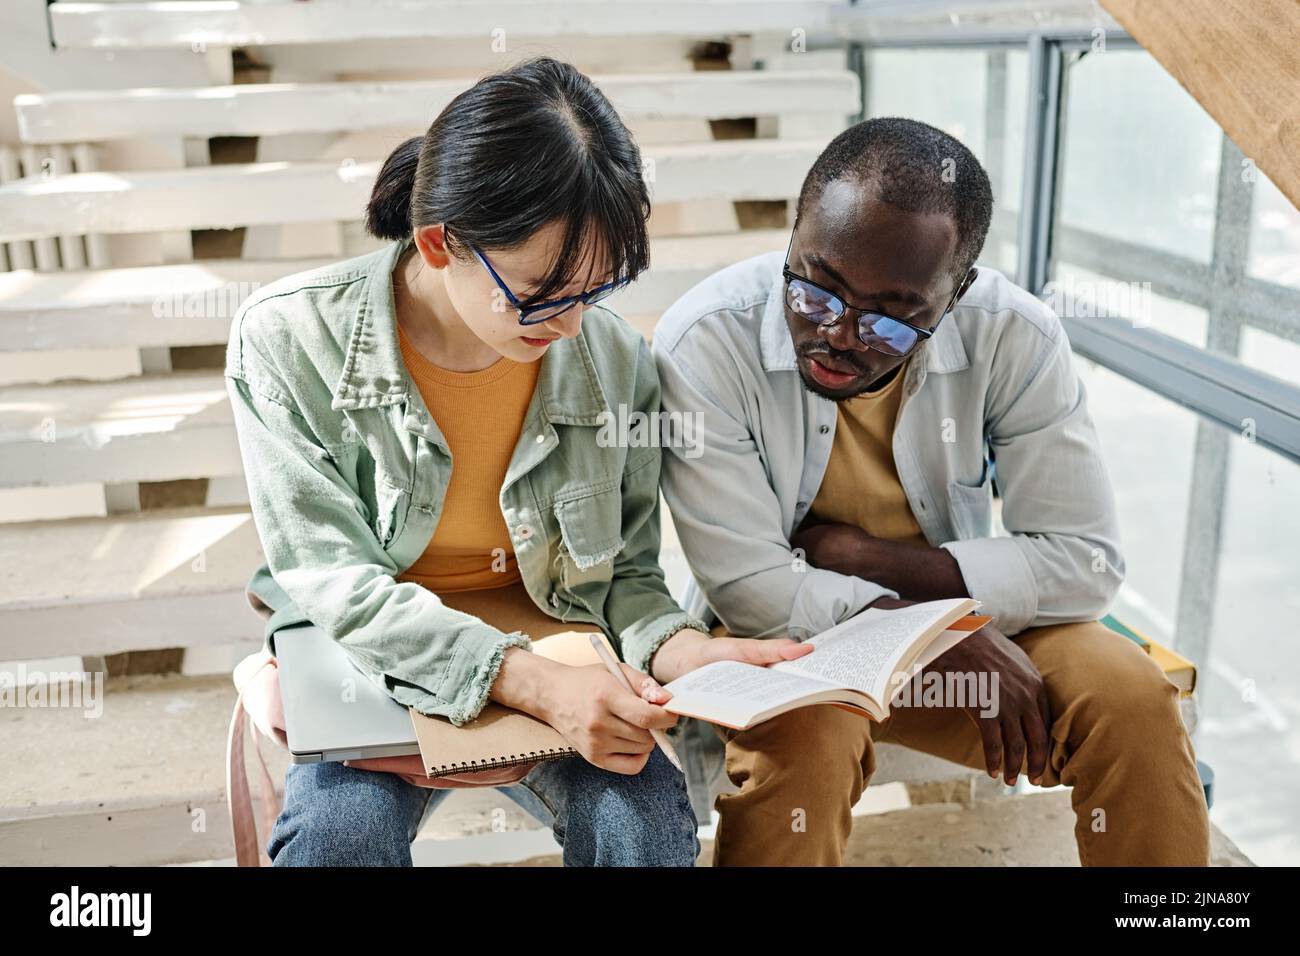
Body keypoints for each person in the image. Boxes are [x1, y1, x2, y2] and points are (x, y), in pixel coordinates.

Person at [224, 57, 807, 866]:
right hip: (374, 652)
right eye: (541, 293)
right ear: (439, 241)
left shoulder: (612, 362)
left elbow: (627, 581)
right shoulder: (290, 340)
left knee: (643, 826)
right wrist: (527, 680)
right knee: (337, 839)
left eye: (596, 291)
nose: (570, 328)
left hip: (565, 645)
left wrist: (682, 650)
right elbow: (334, 581)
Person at [648, 116, 1211, 866]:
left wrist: (883, 566)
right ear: (793, 235)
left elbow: (1086, 564)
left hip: (980, 629)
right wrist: (940, 639)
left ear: (955, 294)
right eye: (816, 291)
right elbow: (755, 590)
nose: (840, 335)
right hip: (787, 641)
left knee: (1135, 702)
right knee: (806, 741)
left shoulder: (1016, 337)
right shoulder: (705, 343)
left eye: (890, 318)